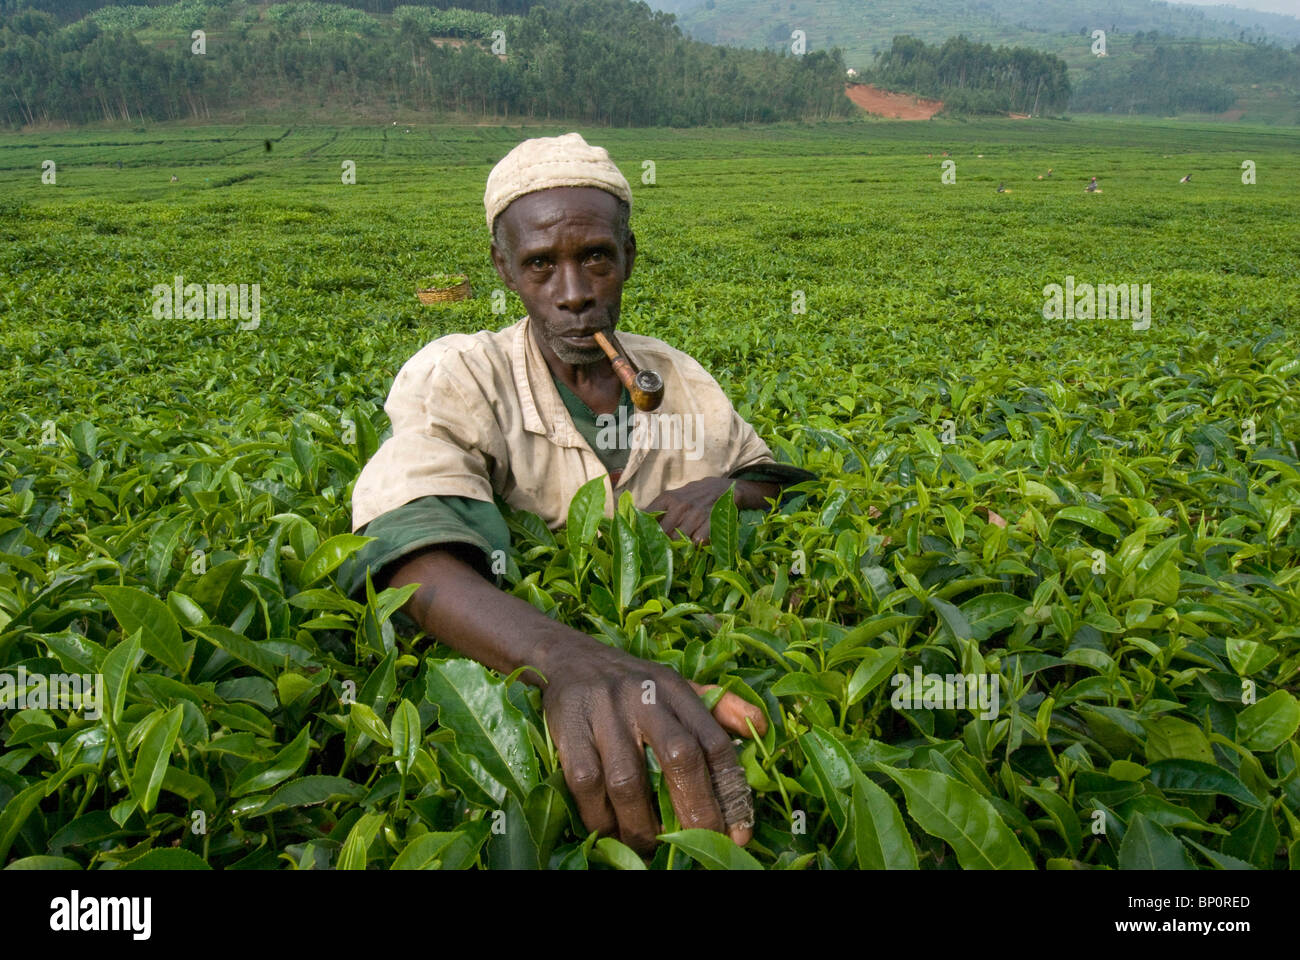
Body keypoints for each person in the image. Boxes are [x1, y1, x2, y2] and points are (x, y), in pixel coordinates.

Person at [343, 132, 814, 855]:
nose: (574, 294)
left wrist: (727, 490)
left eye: (596, 256)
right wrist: (570, 663)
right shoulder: (465, 375)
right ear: (505, 269)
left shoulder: (678, 376)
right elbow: (409, 548)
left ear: (629, 255)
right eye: (540, 265)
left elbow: (770, 476)